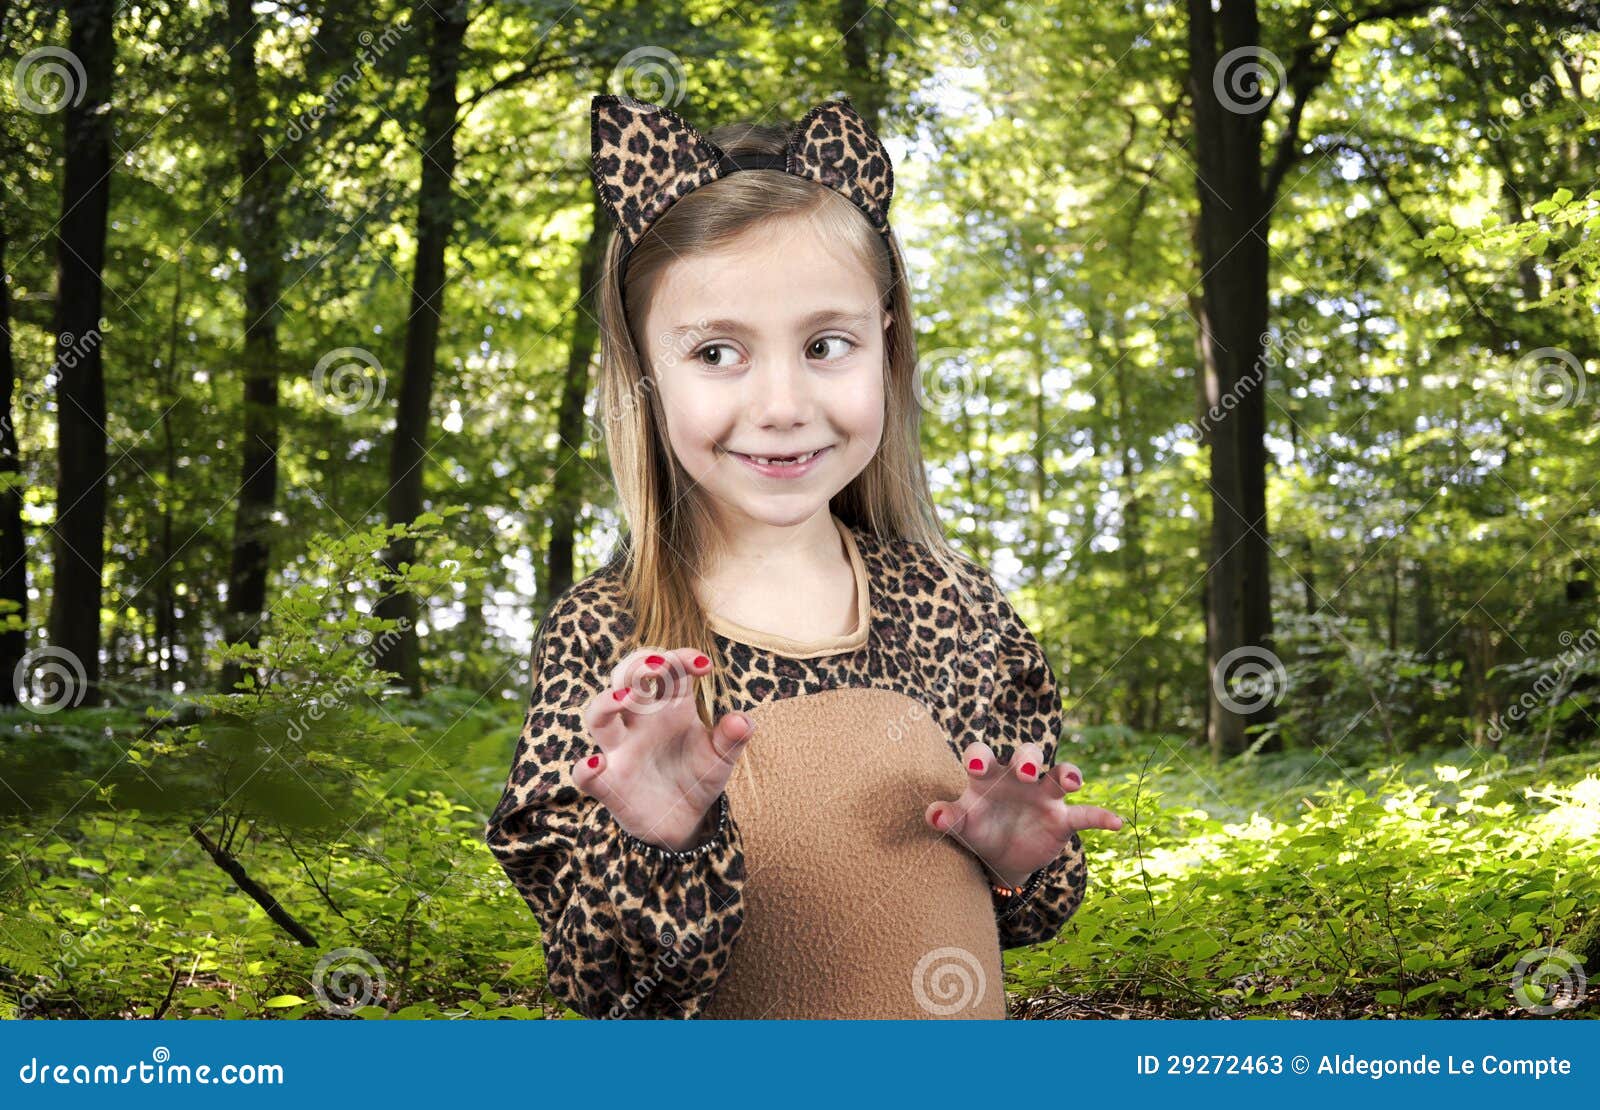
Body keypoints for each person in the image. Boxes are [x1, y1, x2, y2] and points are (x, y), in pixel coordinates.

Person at [483, 93, 1124, 1020]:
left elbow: (1028, 910)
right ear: (645, 374)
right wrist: (661, 842)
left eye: (827, 344)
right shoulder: (609, 636)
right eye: (717, 352)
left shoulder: (959, 609)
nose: (783, 403)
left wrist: (1021, 857)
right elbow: (603, 986)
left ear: (887, 350)